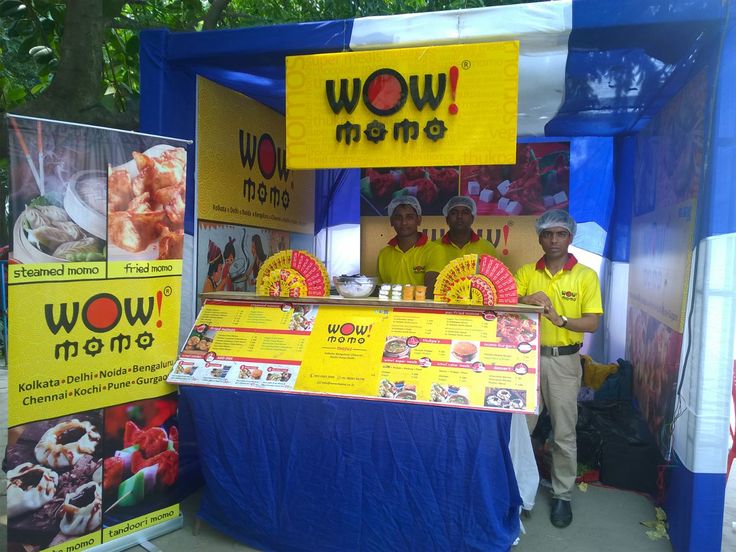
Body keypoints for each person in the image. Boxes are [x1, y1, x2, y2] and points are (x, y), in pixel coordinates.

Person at [513, 209, 603, 529]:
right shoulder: (526, 271)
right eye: (547, 234)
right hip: (524, 359)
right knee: (521, 428)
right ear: (538, 237)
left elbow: (592, 322)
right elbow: (507, 302)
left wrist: (561, 320)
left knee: (564, 431)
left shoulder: (585, 276)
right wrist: (526, 296)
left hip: (564, 361)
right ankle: (518, 491)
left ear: (570, 237)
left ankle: (563, 494)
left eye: (560, 234)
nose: (553, 240)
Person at [425, 196, 497, 294]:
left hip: (477, 305)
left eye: (465, 212)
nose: (459, 216)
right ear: (447, 219)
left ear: (472, 219)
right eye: (454, 213)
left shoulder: (487, 248)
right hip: (442, 305)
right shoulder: (433, 248)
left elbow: (495, 284)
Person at [377, 196, 440, 288]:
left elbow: (430, 291)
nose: (404, 223)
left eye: (409, 217)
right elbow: (381, 290)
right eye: (398, 218)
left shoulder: (434, 251)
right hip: (390, 303)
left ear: (418, 220)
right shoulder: (384, 254)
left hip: (420, 303)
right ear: (391, 221)